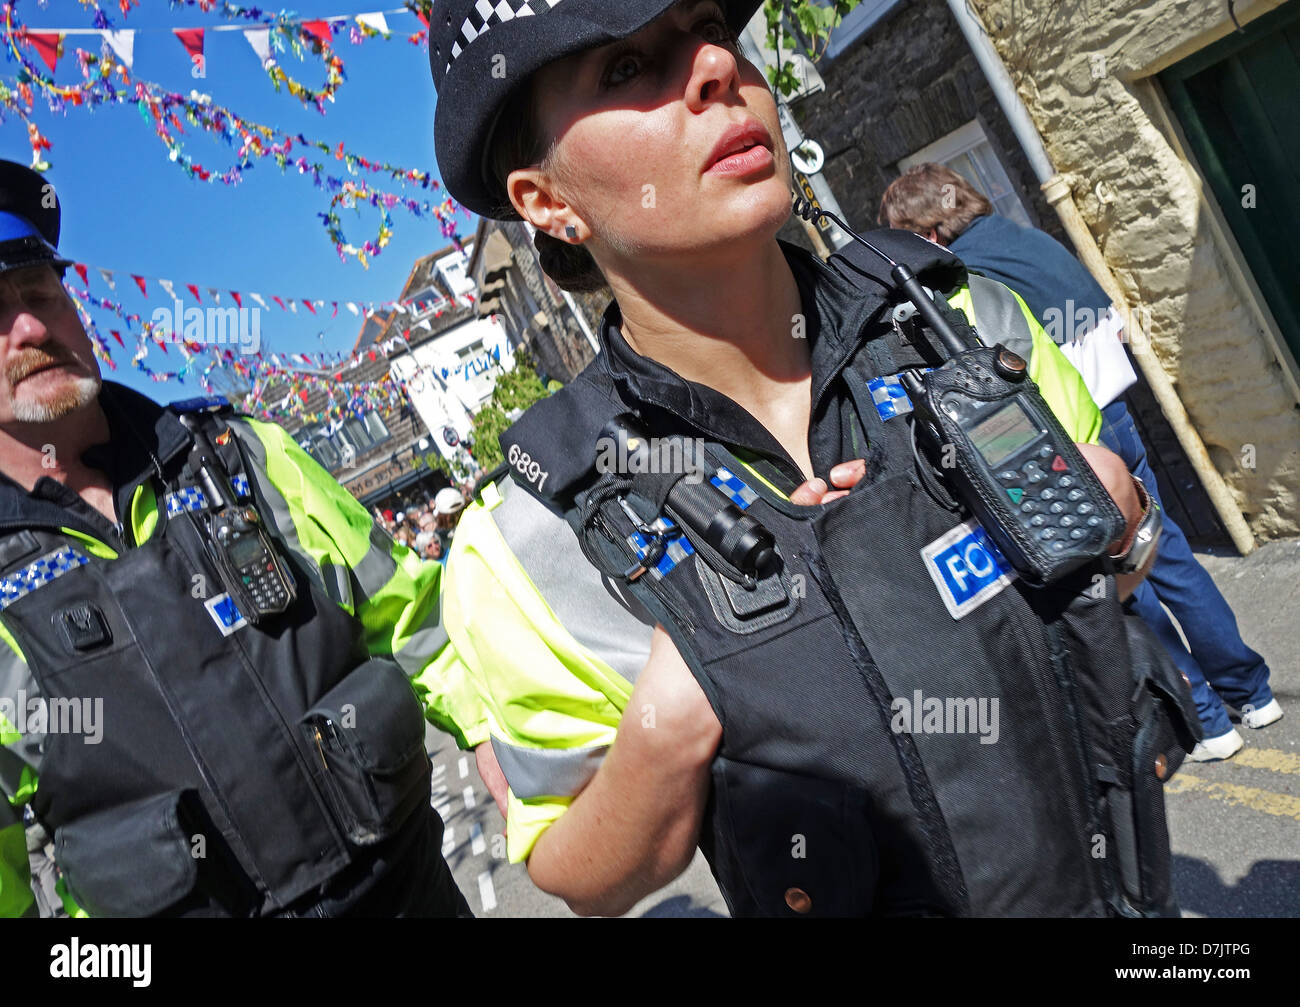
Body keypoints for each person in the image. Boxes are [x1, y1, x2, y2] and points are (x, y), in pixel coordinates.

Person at [431, 0, 1198, 917]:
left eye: (709, 23)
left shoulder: (951, 320)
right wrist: (671, 720)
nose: (717, 63)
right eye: (627, 69)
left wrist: (1129, 531)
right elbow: (578, 871)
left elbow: (1099, 588)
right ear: (547, 202)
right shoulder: (533, 538)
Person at [0, 160, 488, 917]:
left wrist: (496, 742)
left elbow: (414, 617)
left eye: (40, 294)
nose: (29, 327)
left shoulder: (238, 452)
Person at [878, 163, 1282, 761]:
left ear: (930, 233)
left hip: (1071, 435)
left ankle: (1205, 722)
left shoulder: (970, 278)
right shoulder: (1025, 237)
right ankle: (1251, 691)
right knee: (1166, 554)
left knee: (1123, 580)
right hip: (1115, 411)